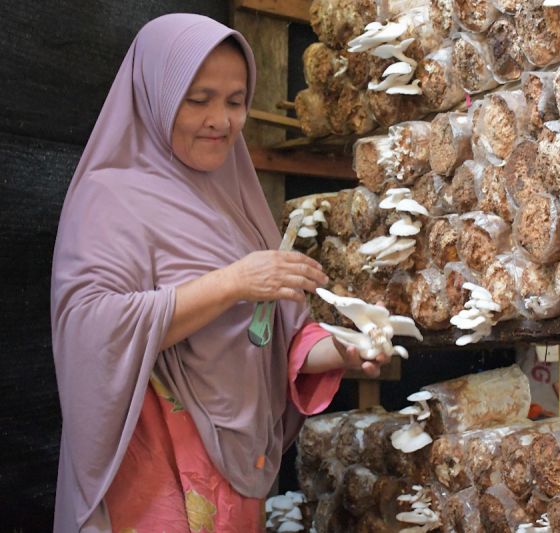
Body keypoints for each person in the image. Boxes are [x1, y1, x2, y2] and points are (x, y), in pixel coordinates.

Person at [50, 13, 388, 532]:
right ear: (156, 95)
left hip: (233, 476)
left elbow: (279, 334)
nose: (221, 120)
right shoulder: (111, 196)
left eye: (235, 102)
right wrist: (232, 282)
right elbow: (90, 327)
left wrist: (343, 346)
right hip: (153, 470)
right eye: (198, 98)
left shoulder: (238, 204)